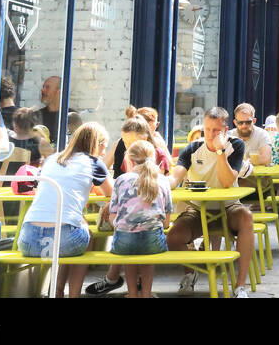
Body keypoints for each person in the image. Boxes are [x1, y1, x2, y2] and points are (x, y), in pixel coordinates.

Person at [166, 106, 256, 298]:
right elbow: (175, 179)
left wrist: (220, 151)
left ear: (225, 131)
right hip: (198, 209)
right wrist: (157, 182)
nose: (210, 134)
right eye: (207, 129)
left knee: (247, 219)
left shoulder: (236, 145)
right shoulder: (192, 148)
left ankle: (240, 286)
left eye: (215, 130)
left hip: (229, 207)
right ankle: (190, 274)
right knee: (172, 237)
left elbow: (226, 181)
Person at [16, 122, 112, 298]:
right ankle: (73, 295)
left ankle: (57, 290)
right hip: (66, 241)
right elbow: (113, 193)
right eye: (104, 147)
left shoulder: (52, 159)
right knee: (85, 234)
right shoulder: (94, 163)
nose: (104, 152)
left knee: (72, 225)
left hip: (28, 241)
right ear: (97, 144)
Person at [101, 141, 172, 298]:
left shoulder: (121, 180)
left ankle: (132, 294)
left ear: (130, 160)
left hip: (124, 242)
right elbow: (166, 222)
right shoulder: (163, 181)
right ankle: (146, 294)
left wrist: (128, 223)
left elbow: (113, 218)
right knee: (148, 254)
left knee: (129, 251)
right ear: (152, 159)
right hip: (153, 241)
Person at [33, 75, 62, 144]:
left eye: (47, 87)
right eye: (43, 87)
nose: (42, 90)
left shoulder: (70, 116)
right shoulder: (35, 116)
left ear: (59, 92)